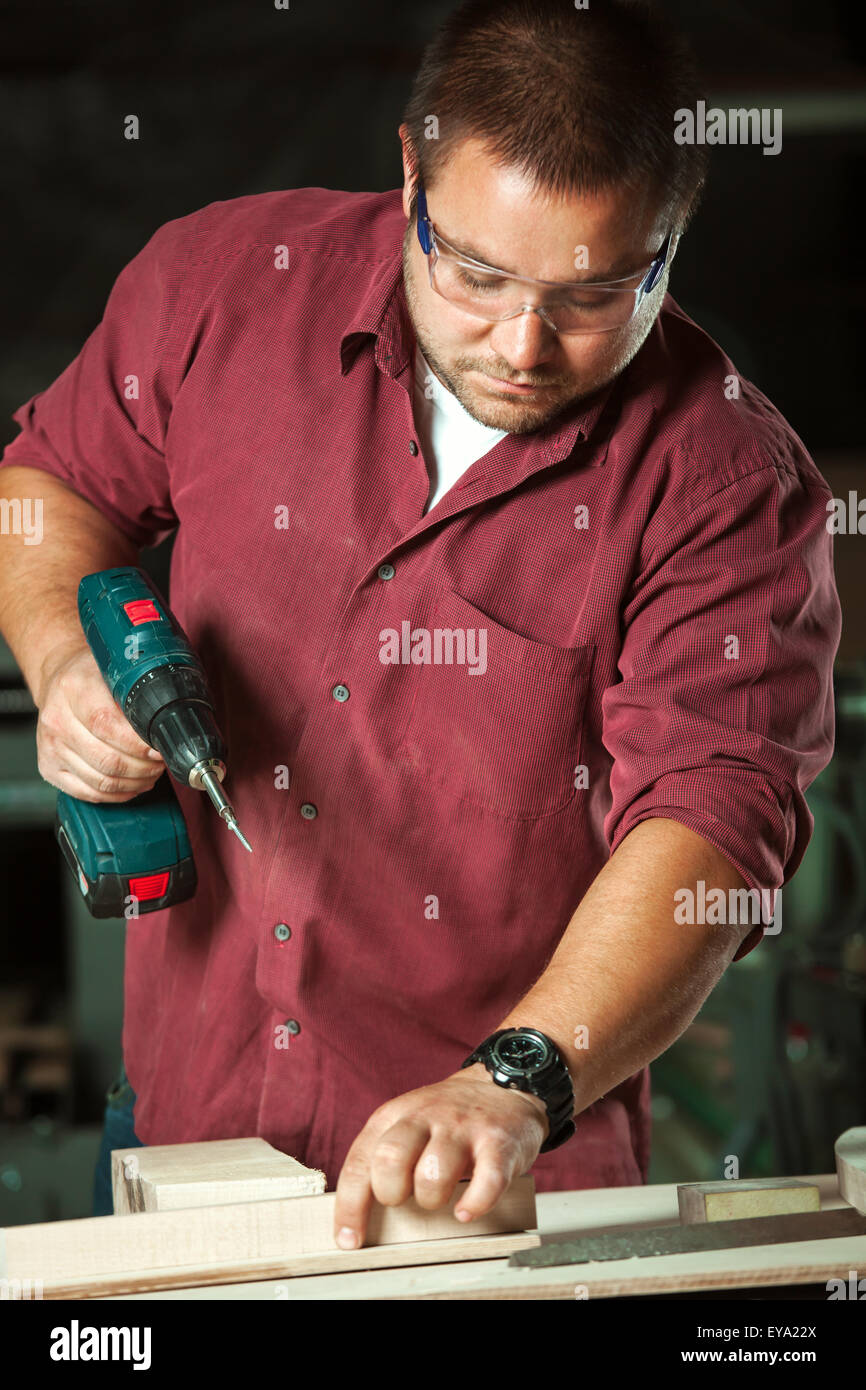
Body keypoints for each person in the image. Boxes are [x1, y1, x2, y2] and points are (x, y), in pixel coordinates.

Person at [0, 0, 840, 1249]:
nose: (521, 345)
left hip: (495, 1188)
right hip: (188, 1133)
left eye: (596, 294)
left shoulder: (729, 487)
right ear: (411, 170)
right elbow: (51, 483)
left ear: (672, 235)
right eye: (477, 273)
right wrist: (65, 660)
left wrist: (518, 1079)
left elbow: (712, 821)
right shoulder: (220, 285)